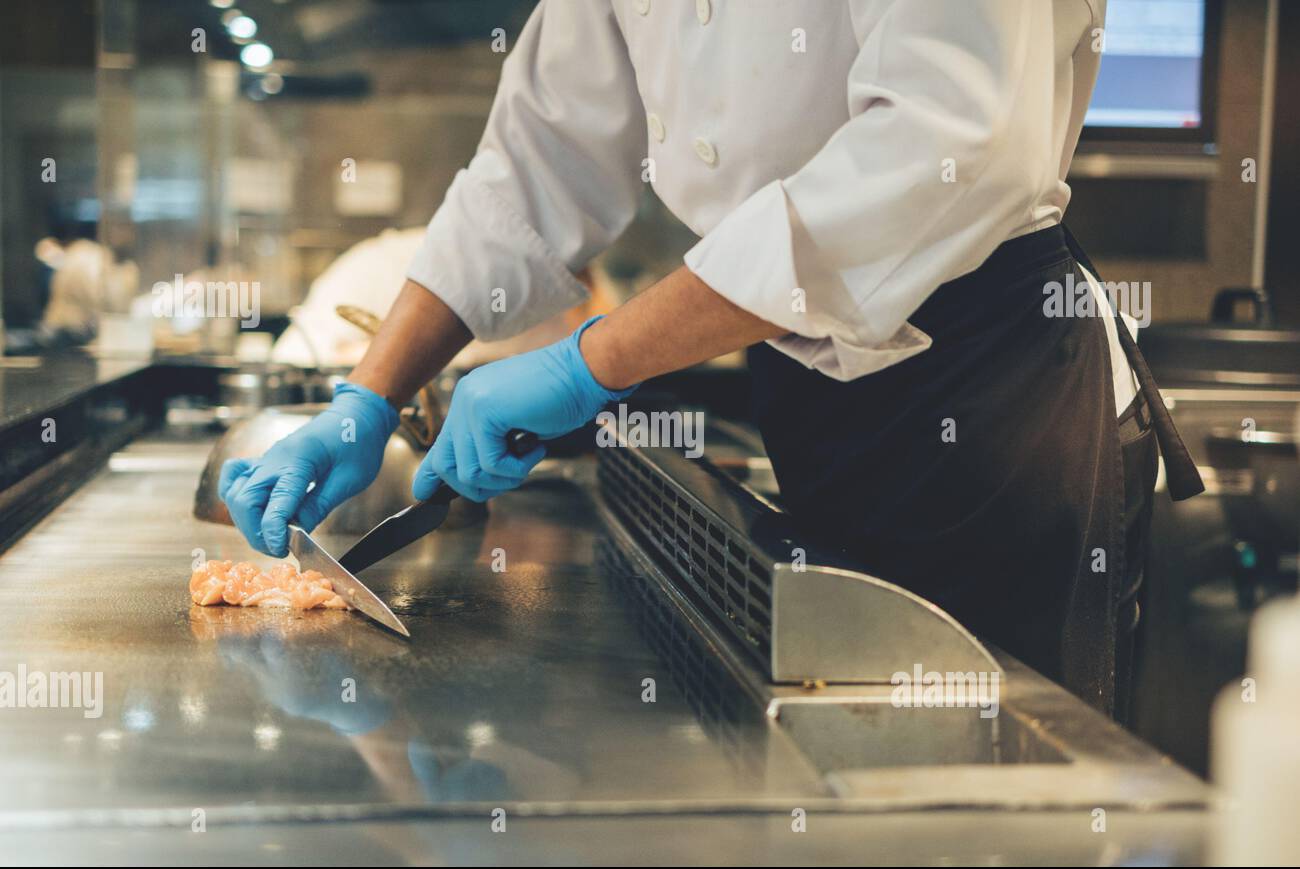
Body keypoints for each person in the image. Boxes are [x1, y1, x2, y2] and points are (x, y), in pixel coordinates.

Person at [221, 0, 1201, 716]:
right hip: (807, 381)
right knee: (836, 730)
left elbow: (950, 150)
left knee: (994, 776)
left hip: (994, 394)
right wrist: (369, 393)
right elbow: (531, 165)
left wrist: (590, 361)